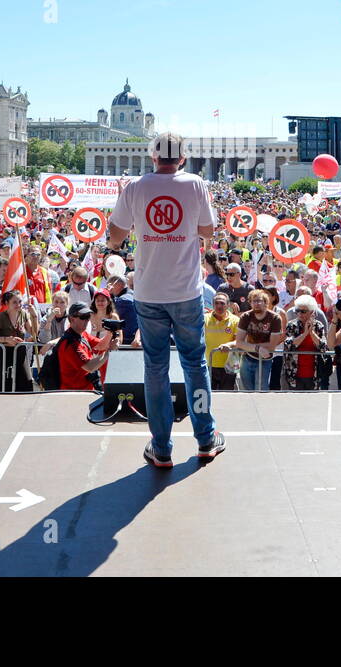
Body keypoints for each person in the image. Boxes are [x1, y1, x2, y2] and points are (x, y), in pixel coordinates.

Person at [107, 131, 224, 467]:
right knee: (195, 363)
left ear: (153, 156)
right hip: (187, 291)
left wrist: (125, 201)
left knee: (155, 368)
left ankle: (161, 447)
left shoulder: (135, 187)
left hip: (148, 292)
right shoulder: (196, 184)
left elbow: (115, 240)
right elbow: (208, 231)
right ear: (183, 158)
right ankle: (205, 439)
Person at [45, 302, 118, 390]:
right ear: (71, 319)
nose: (87, 321)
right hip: (73, 393)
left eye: (88, 317)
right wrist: (109, 352)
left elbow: (101, 345)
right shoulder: (70, 344)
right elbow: (90, 366)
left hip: (85, 390)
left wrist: (110, 333)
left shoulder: (82, 334)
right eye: (83, 317)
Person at [280, 295, 328, 390]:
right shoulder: (291, 325)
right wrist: (305, 333)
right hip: (294, 374)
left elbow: (323, 346)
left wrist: (312, 333)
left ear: (312, 312)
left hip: (313, 374)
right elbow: (288, 344)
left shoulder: (319, 326)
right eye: (297, 311)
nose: (300, 314)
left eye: (303, 311)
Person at [204, 293, 240, 390]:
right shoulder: (204, 319)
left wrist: (229, 344)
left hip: (229, 366)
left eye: (222, 303)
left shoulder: (235, 320)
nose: (219, 306)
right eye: (216, 303)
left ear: (228, 305)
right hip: (209, 364)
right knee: (210, 396)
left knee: (227, 397)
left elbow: (239, 341)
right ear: (213, 305)